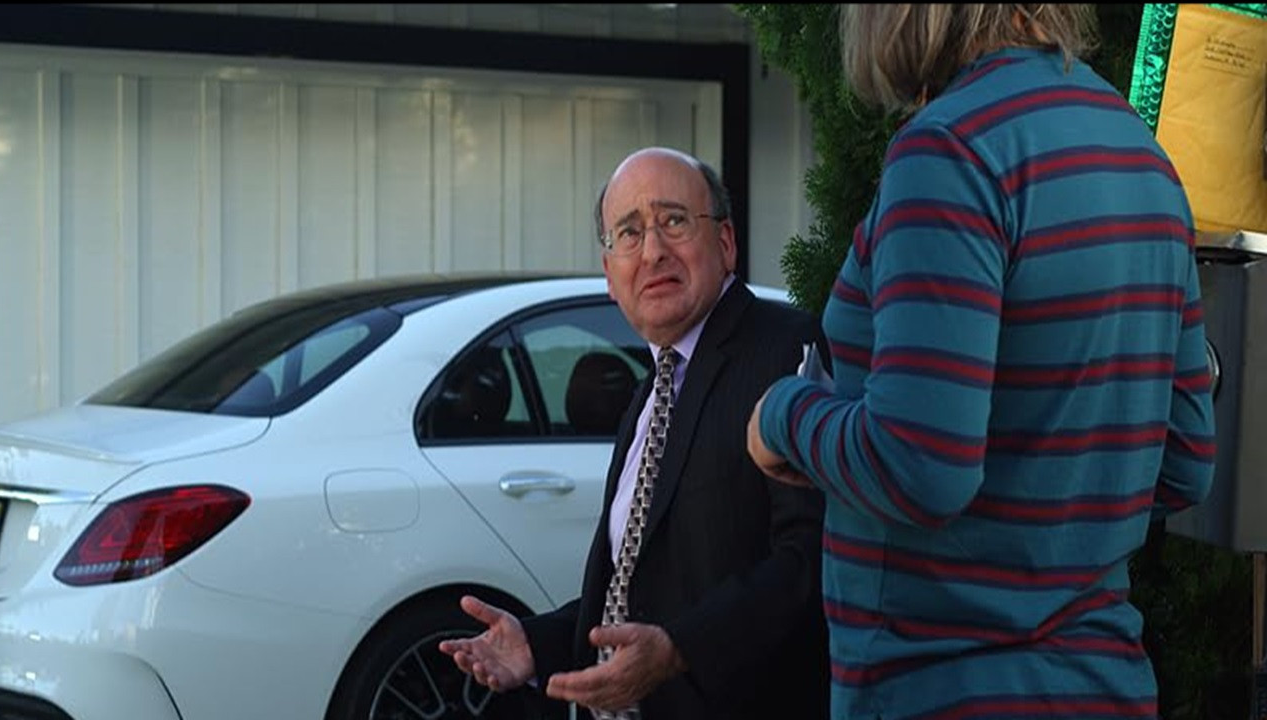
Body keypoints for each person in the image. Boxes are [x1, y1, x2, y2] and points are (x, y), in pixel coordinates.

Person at [746, 5, 1216, 720]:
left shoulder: (950, 152)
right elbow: (1185, 460)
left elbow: (921, 469)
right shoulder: (1139, 154)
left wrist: (782, 415)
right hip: (1105, 688)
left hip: (940, 684)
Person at [439, 147, 830, 719]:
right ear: (609, 272)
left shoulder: (784, 349)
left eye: (674, 221)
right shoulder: (654, 388)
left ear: (725, 243)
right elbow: (639, 592)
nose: (652, 251)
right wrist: (538, 642)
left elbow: (812, 559)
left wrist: (679, 651)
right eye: (629, 232)